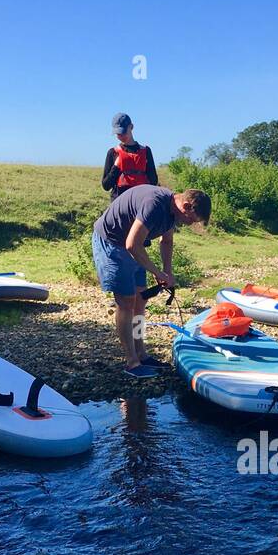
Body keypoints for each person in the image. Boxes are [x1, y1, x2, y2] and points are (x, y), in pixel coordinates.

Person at [91, 184, 210, 377]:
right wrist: (155, 271)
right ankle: (132, 362)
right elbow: (131, 244)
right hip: (112, 242)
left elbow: (167, 241)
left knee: (140, 300)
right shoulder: (154, 204)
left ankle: (142, 354)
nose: (188, 224)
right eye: (190, 220)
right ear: (186, 206)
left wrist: (167, 272)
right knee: (126, 302)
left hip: (135, 245)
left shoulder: (173, 212)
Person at [101, 113, 158, 203]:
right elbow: (106, 186)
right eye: (118, 133)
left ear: (131, 127)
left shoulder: (146, 151)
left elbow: (154, 181)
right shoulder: (113, 153)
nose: (121, 136)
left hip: (140, 201)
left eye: (123, 132)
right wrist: (116, 167)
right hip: (119, 203)